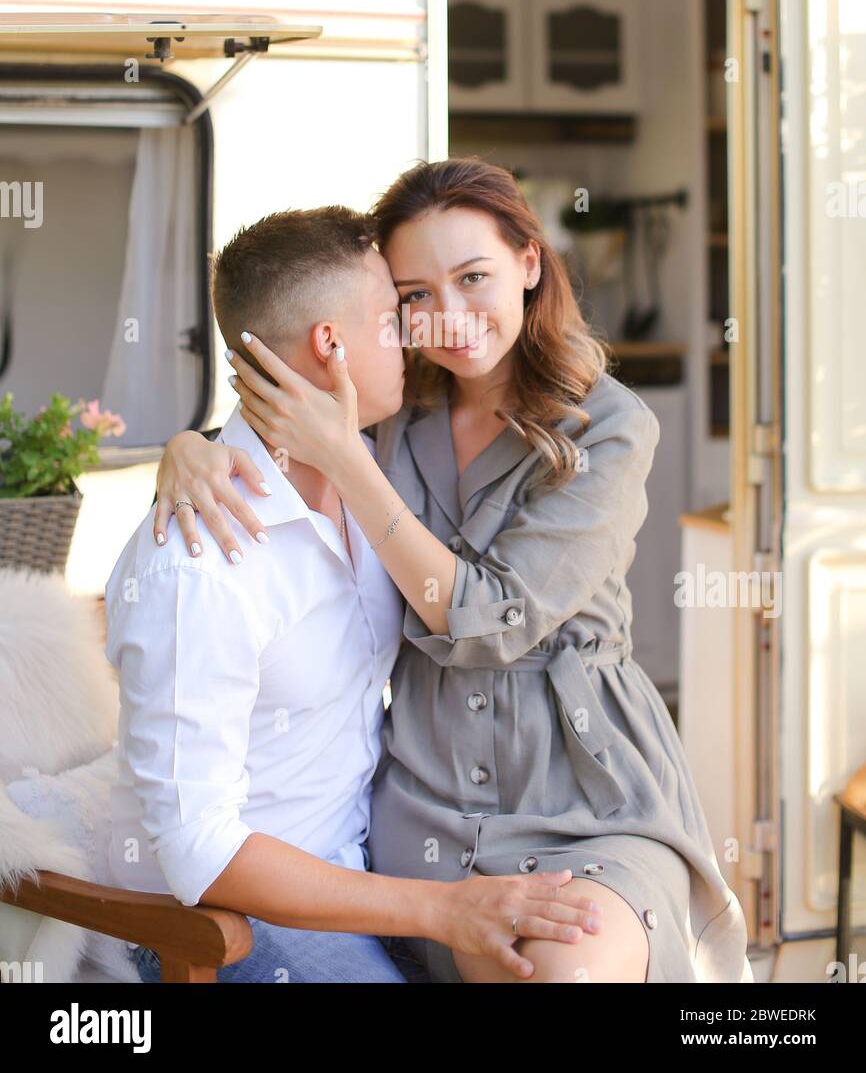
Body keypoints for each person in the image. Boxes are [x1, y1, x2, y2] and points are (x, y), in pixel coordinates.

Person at [153, 157, 754, 984]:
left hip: (583, 792)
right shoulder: (391, 403)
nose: (450, 319)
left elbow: (495, 619)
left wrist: (344, 456)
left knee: (566, 972)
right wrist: (184, 450)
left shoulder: (611, 425)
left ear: (530, 264)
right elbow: (266, 416)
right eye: (415, 298)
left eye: (474, 277)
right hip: (426, 804)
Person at [105, 204, 602, 984]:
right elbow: (198, 851)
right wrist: (441, 911)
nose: (413, 335)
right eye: (392, 316)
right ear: (330, 345)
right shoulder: (200, 561)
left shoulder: (373, 479)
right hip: (231, 920)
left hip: (368, 865)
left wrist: (188, 441)